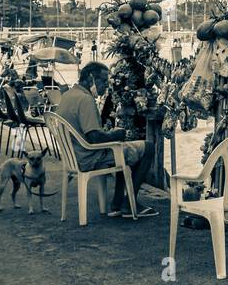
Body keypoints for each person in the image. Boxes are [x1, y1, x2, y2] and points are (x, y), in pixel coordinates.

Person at [53, 61, 157, 218]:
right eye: (102, 81)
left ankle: (117, 203)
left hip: (74, 157)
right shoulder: (85, 99)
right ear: (90, 79)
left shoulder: (68, 95)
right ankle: (129, 203)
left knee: (124, 150)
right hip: (90, 157)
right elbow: (94, 138)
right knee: (147, 148)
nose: (105, 86)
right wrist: (115, 135)